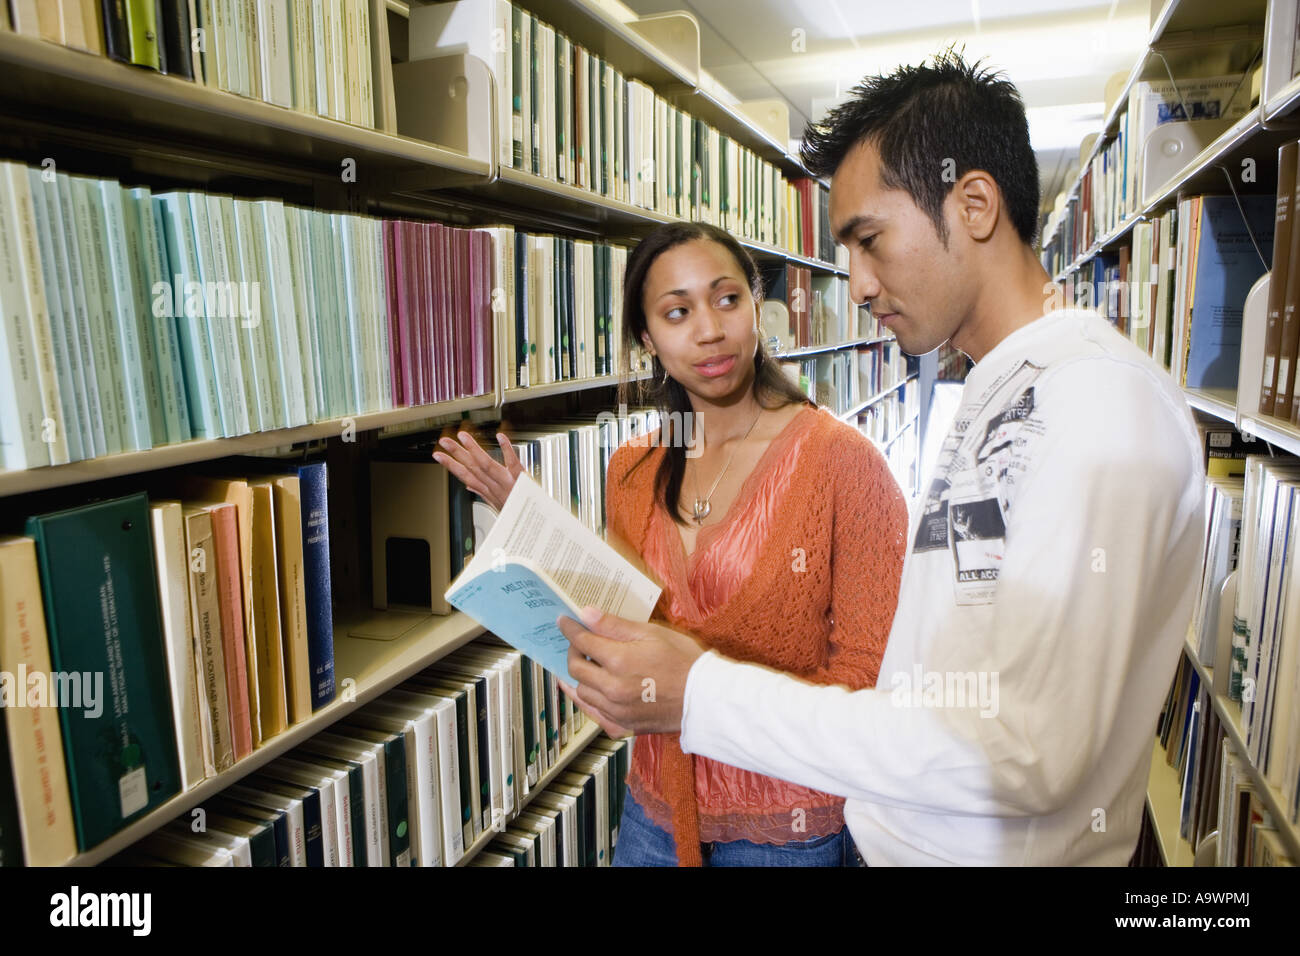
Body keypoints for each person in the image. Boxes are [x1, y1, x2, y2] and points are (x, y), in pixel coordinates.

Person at [557, 50, 1207, 865]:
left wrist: (704, 691)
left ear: (973, 205)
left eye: (869, 241)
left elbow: (1024, 753)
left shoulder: (1096, 406)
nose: (856, 285)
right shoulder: (1001, 395)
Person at [433, 219, 908, 866]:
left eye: (727, 299)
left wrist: (702, 689)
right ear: (647, 338)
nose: (709, 329)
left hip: (790, 832)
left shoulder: (845, 466)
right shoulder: (632, 469)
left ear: (757, 307)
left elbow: (869, 690)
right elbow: (624, 624)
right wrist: (535, 529)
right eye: (677, 311)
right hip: (653, 814)